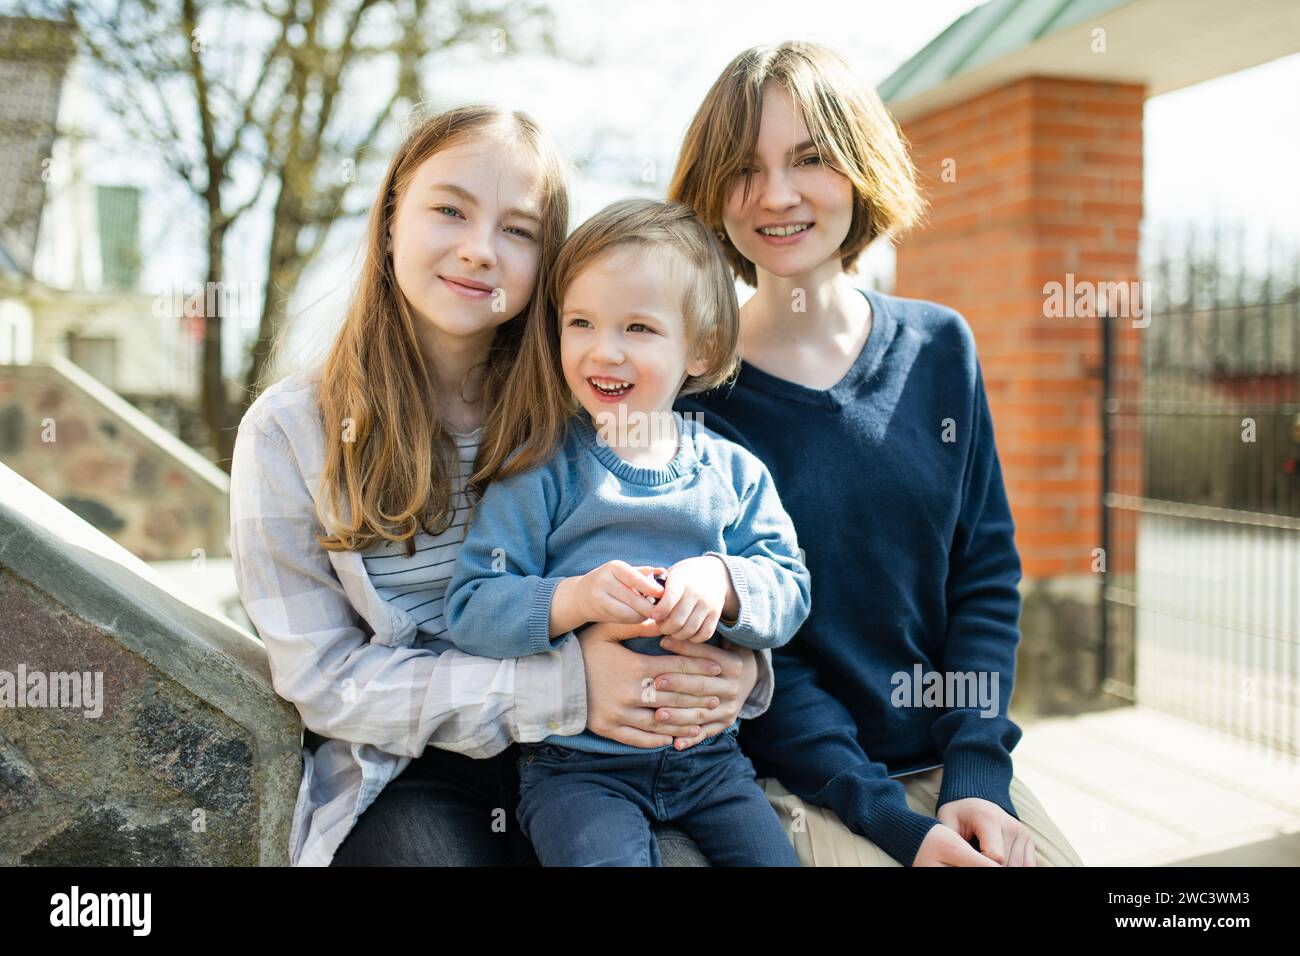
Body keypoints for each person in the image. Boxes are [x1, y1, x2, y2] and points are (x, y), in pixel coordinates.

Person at [229, 104, 770, 867]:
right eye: (449, 209)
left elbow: (698, 529)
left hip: (610, 754)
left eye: (517, 230)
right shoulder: (291, 434)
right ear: (389, 221)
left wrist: (732, 666)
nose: (479, 250)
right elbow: (323, 678)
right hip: (417, 764)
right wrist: (565, 688)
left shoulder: (588, 393)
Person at [669, 41, 1085, 867]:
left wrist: (975, 772)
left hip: (956, 769)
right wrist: (895, 824)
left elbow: (985, 575)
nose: (777, 195)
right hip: (800, 783)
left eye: (810, 159)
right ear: (711, 192)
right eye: (744, 168)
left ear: (859, 170)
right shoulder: (691, 400)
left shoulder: (940, 347)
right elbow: (760, 654)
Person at [443, 198, 810, 866]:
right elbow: (472, 605)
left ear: (701, 348)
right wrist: (574, 599)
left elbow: (790, 588)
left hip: (712, 764)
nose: (602, 350)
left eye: (638, 328)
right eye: (581, 323)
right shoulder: (542, 470)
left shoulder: (731, 472)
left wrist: (724, 582)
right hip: (578, 769)